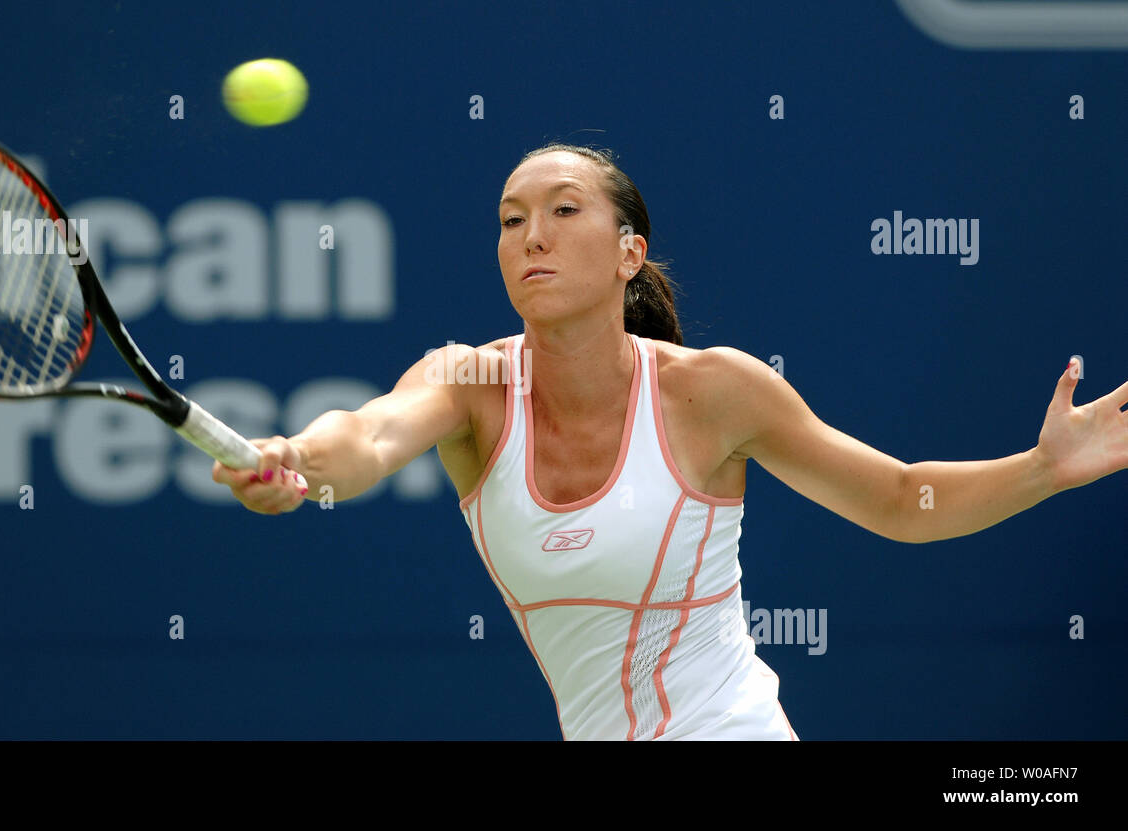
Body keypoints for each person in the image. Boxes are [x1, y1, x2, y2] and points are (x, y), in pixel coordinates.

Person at [212, 143, 1128, 740]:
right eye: (510, 218)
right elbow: (366, 437)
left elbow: (896, 498)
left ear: (628, 252)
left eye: (564, 211)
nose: (531, 234)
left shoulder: (712, 390)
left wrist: (1045, 468)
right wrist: (294, 453)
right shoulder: (468, 383)